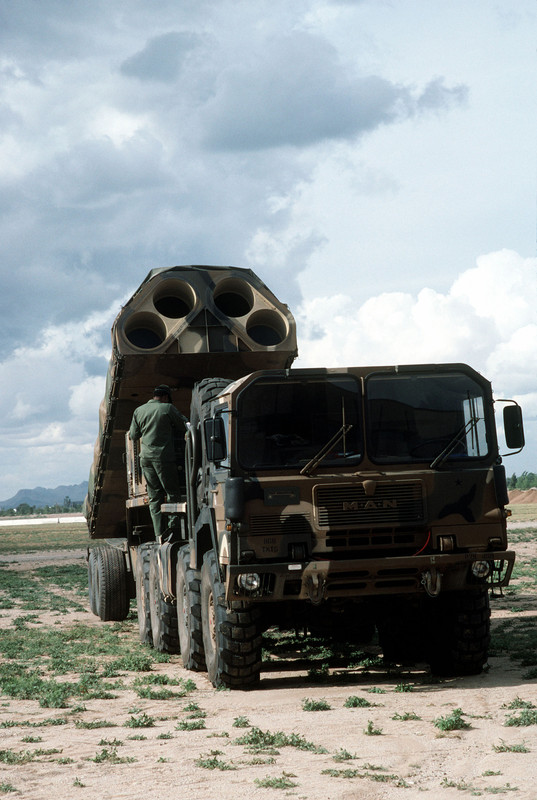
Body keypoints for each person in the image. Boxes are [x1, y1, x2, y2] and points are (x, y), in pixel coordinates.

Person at [129, 384, 188, 540]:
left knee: (154, 496)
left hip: (145, 459)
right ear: (165, 397)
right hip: (163, 458)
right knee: (172, 492)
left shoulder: (139, 411)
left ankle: (158, 534)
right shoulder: (167, 408)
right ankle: (173, 529)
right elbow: (185, 427)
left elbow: (134, 435)